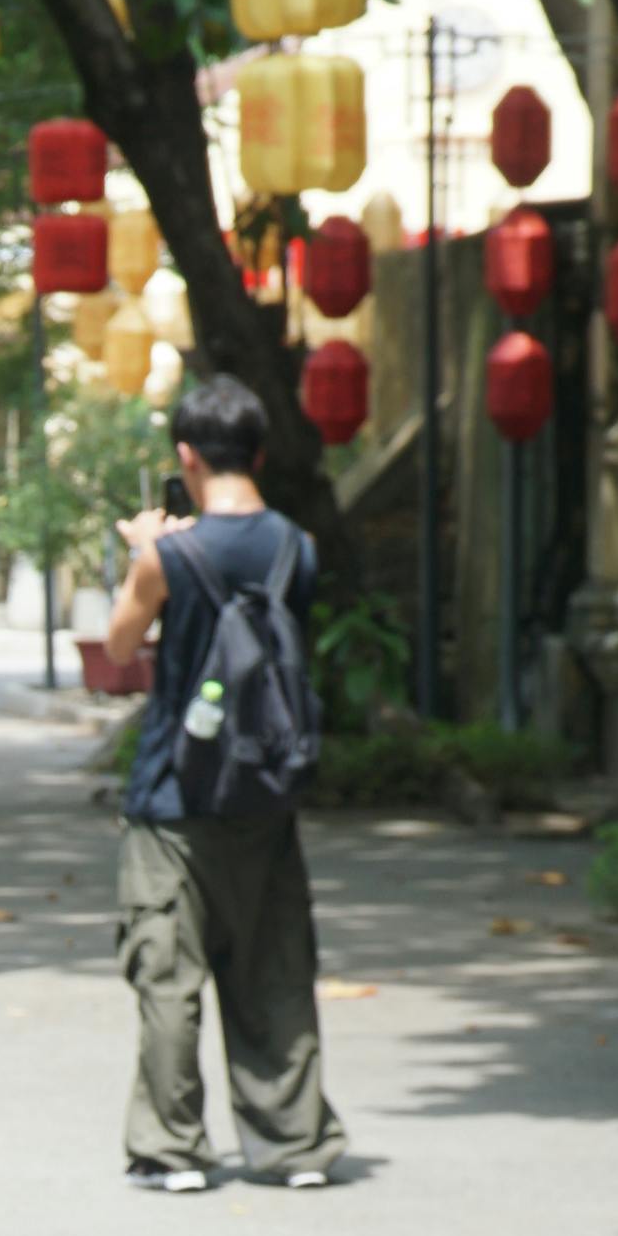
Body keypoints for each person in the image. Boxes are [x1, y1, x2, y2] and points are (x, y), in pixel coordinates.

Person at [107, 370, 345, 1194]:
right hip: (266, 787)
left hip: (176, 793)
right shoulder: (297, 549)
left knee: (168, 972)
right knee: (275, 965)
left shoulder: (173, 555)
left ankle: (174, 1149)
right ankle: (294, 1145)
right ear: (262, 452)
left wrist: (146, 550)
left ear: (187, 457)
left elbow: (119, 643)